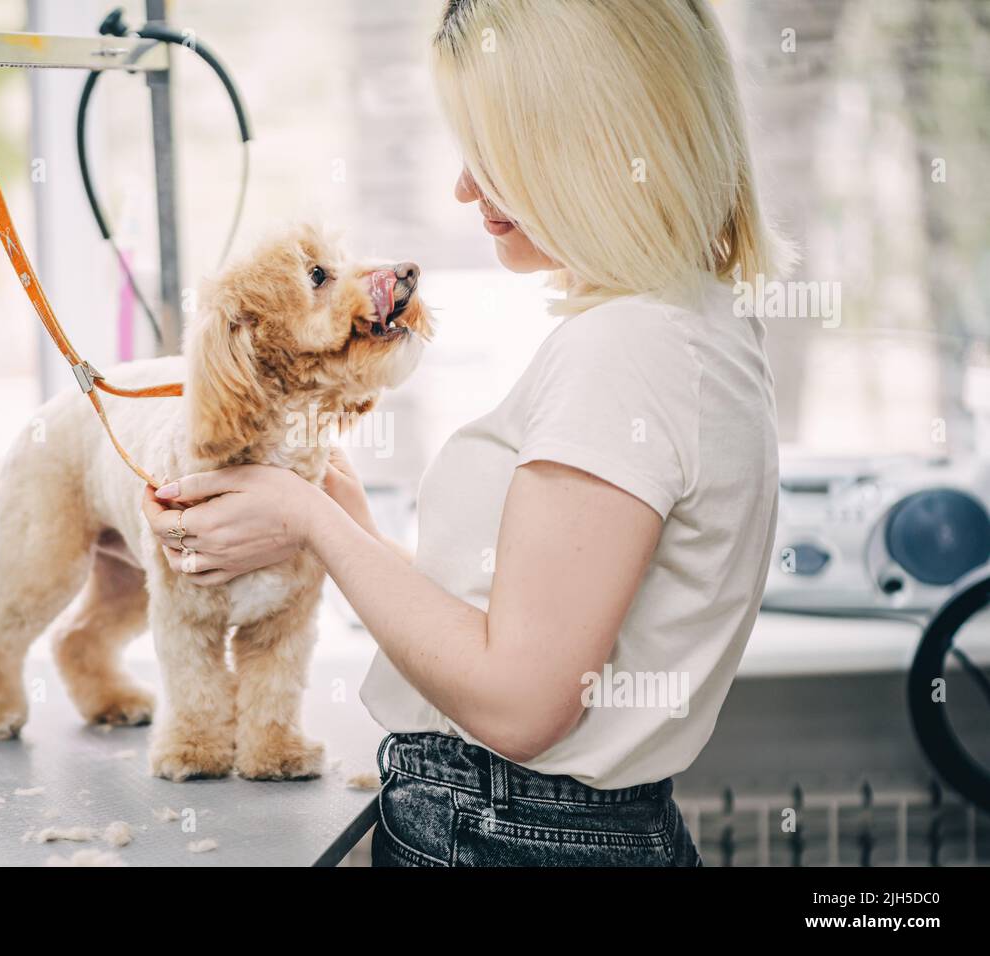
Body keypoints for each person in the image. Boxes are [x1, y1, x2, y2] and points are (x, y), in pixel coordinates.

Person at [144, 0, 785, 866]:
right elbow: (521, 630)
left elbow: (519, 707)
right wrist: (357, 530)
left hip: (506, 833)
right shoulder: (698, 318)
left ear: (589, 144)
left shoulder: (627, 351)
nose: (463, 188)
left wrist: (308, 521)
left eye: (491, 151)